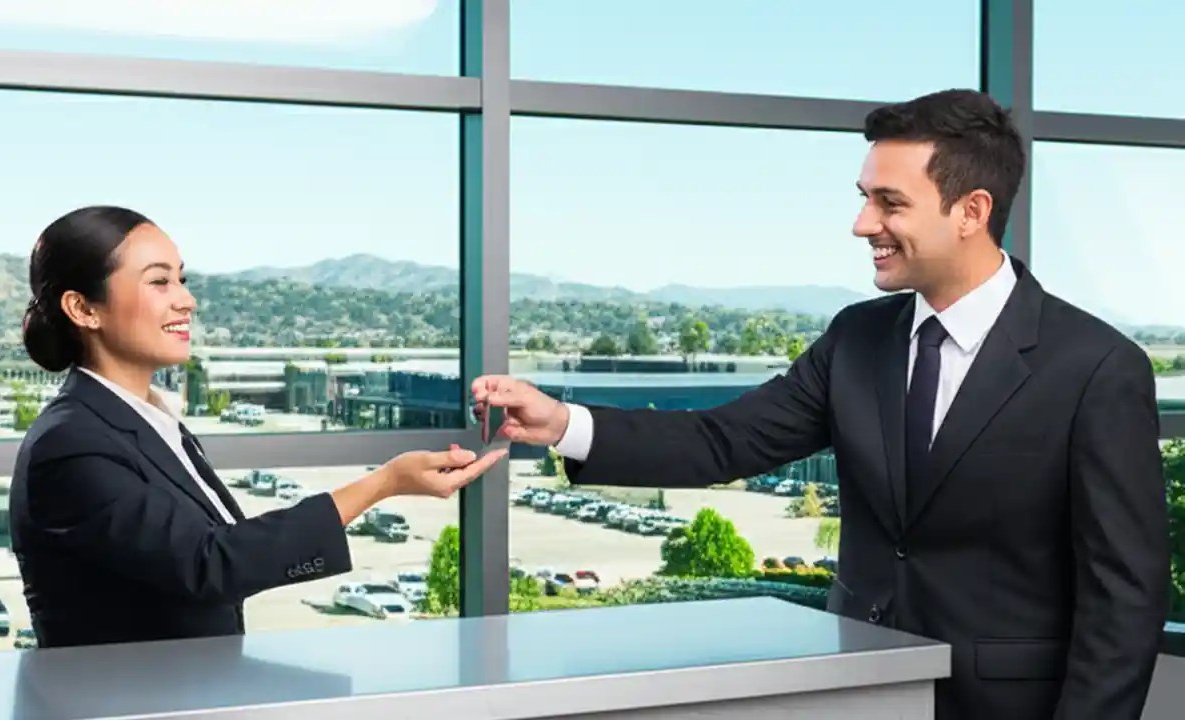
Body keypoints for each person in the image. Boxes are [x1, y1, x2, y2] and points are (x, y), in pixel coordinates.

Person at [472, 89, 1169, 719]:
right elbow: (724, 441)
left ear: (972, 212)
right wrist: (563, 424)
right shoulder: (856, 339)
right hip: (859, 693)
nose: (863, 224)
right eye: (865, 197)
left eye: (890, 202)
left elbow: (1125, 599)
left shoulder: (1096, 368)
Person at [10, 205, 506, 649]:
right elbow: (209, 564)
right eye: (159, 282)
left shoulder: (149, 423)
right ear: (83, 309)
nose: (187, 301)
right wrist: (383, 484)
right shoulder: (71, 443)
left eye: (181, 279)